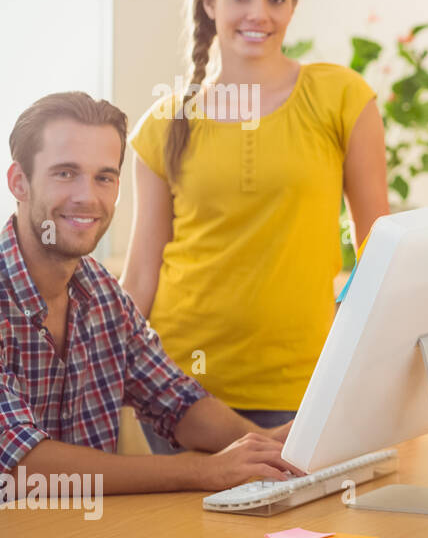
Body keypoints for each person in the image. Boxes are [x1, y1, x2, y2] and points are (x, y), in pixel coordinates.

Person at [123, 0, 389, 454]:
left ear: (293, 8)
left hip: (304, 381)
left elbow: (378, 248)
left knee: (303, 534)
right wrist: (119, 376)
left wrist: (380, 371)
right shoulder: (165, 123)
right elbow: (141, 272)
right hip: (182, 391)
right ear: (209, 2)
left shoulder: (341, 97)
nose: (258, 15)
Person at [1, 92, 305, 493]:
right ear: (19, 182)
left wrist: (264, 448)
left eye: (103, 177)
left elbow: (177, 401)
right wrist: (201, 471)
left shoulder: (102, 293)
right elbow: (22, 463)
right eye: (65, 173)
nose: (87, 197)